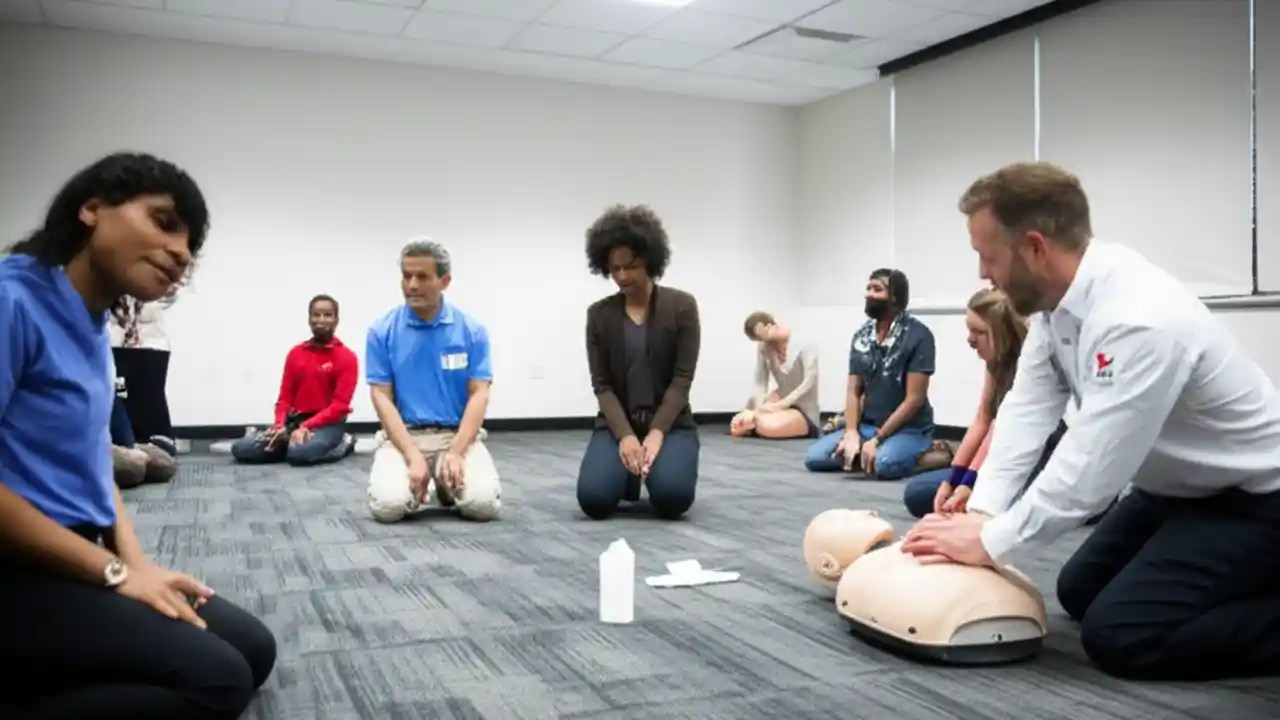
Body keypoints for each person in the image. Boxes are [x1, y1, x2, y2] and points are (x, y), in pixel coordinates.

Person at [901, 161, 1280, 682]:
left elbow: (1092, 468)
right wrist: (983, 514)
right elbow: (1026, 411)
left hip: (1256, 502)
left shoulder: (1139, 317)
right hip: (1176, 491)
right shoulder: (1057, 305)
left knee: (1124, 635)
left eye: (987, 256)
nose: (983, 274)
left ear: (1035, 247)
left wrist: (990, 542)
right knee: (1079, 591)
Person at [0, 152, 276, 717]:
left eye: (191, 246)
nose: (181, 253)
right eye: (164, 222)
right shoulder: (12, 300)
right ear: (93, 209)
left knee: (252, 649)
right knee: (217, 682)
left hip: (71, 553)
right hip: (14, 570)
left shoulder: (91, 321)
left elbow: (91, 463)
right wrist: (112, 574)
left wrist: (135, 565)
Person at [365, 239, 501, 523]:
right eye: (406, 276)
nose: (412, 285)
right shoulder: (382, 331)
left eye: (422, 277)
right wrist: (412, 454)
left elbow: (479, 394)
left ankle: (440, 481)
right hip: (404, 436)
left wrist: (456, 452)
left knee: (482, 506)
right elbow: (381, 396)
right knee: (389, 508)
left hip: (456, 435)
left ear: (445, 281)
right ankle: (420, 482)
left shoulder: (472, 331)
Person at [578, 204, 701, 520]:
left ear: (649, 260)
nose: (621, 276)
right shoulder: (599, 315)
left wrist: (657, 432)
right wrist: (626, 436)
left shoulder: (682, 307)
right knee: (594, 499)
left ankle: (657, 466)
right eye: (614, 269)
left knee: (672, 498)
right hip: (618, 423)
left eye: (630, 267)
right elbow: (602, 386)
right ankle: (628, 474)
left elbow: (682, 379)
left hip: (671, 425)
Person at [902, 288, 1040, 516]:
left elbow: (1000, 430)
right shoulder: (995, 363)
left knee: (986, 497)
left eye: (979, 332)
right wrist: (952, 480)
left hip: (1030, 455)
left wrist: (968, 483)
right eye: (969, 330)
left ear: (1003, 333)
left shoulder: (1030, 365)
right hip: (997, 450)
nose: (970, 339)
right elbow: (982, 421)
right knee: (918, 492)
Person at [803, 269, 951, 479]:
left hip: (909, 429)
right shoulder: (862, 336)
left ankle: (937, 454)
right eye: (868, 288)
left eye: (877, 289)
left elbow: (914, 400)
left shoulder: (919, 336)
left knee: (885, 464)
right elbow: (854, 391)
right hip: (868, 425)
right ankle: (869, 454)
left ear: (895, 297)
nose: (869, 294)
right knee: (815, 458)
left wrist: (878, 440)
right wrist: (852, 433)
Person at [231, 294, 358, 467]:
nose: (321, 320)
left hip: (327, 425)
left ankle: (343, 442)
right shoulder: (296, 353)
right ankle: (289, 443)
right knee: (241, 448)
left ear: (336, 320)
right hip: (293, 423)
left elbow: (339, 407)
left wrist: (306, 426)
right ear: (309, 319)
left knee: (300, 454)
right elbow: (284, 398)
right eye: (316, 314)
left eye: (327, 315)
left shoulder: (347, 357)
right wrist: (279, 426)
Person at [731, 311, 820, 440]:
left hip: (804, 407)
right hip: (780, 400)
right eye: (760, 339)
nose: (764, 342)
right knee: (747, 417)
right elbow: (761, 382)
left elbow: (810, 381)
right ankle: (754, 421)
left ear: (771, 326)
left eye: (764, 336)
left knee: (767, 425)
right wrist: (756, 408)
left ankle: (754, 424)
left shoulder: (804, 342)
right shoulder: (764, 347)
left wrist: (780, 405)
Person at [110, 294, 178, 456]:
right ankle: (130, 443)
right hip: (117, 340)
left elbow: (165, 299)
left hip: (151, 342)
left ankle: (153, 441)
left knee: (149, 394)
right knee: (122, 395)